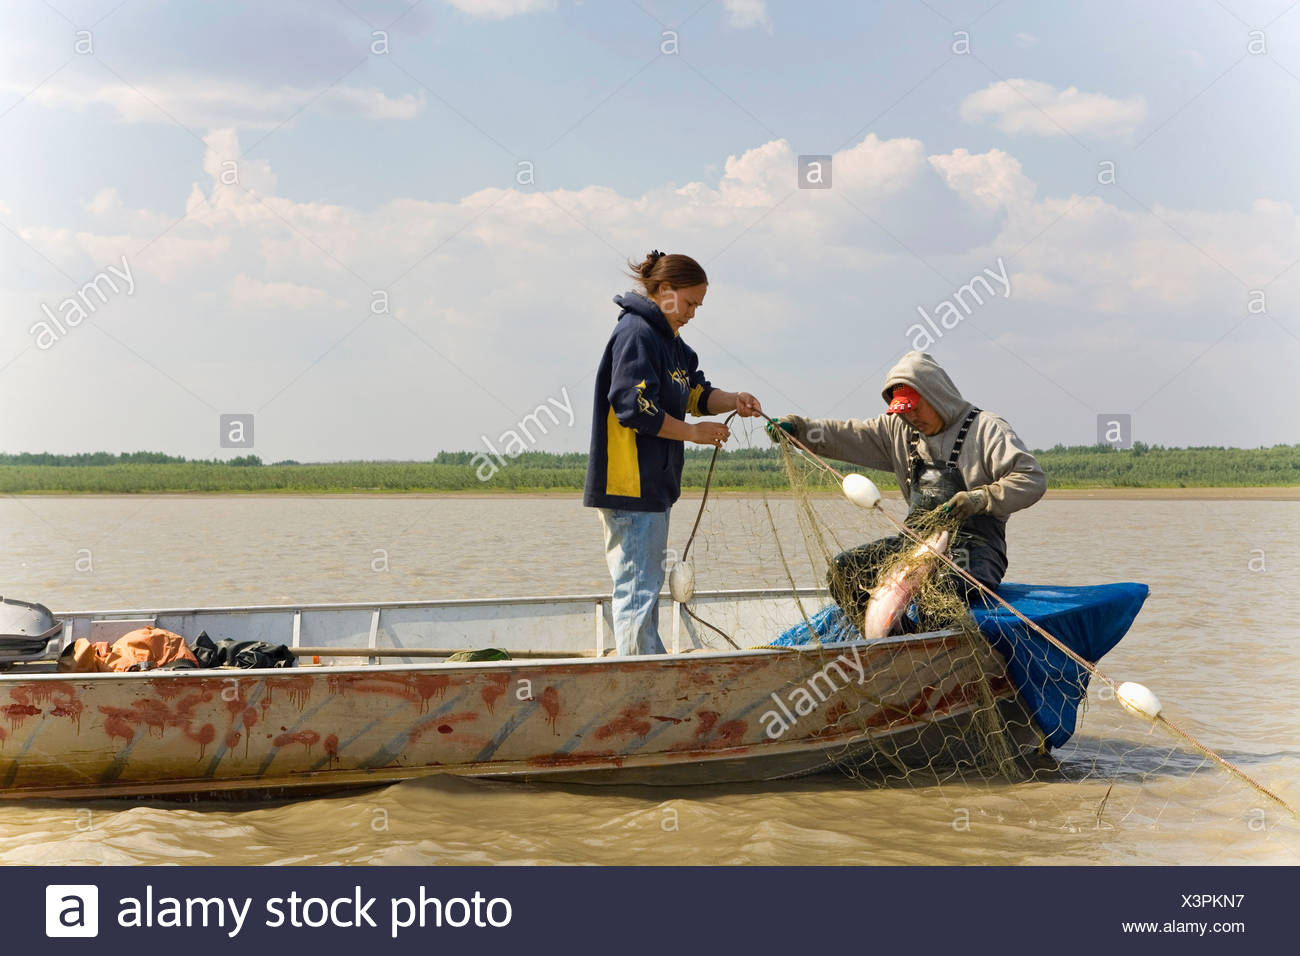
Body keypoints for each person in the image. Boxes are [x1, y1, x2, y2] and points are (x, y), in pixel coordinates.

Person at [767, 350, 1044, 630]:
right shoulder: (898, 429)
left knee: (939, 588)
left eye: (915, 407)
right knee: (844, 571)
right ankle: (898, 646)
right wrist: (798, 430)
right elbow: (847, 434)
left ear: (936, 394)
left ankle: (934, 652)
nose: (910, 417)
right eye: (903, 410)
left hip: (974, 549)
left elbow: (1031, 479)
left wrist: (980, 498)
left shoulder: (986, 429)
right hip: (913, 544)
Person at [584, 251, 763, 655]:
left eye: (698, 306)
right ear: (665, 291)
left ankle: (645, 668)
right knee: (637, 589)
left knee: (645, 586)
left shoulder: (672, 343)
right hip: (629, 485)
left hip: (655, 486)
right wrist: (693, 433)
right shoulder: (637, 334)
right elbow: (634, 407)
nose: (693, 314)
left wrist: (734, 399)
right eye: (689, 303)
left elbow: (695, 393)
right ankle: (639, 681)